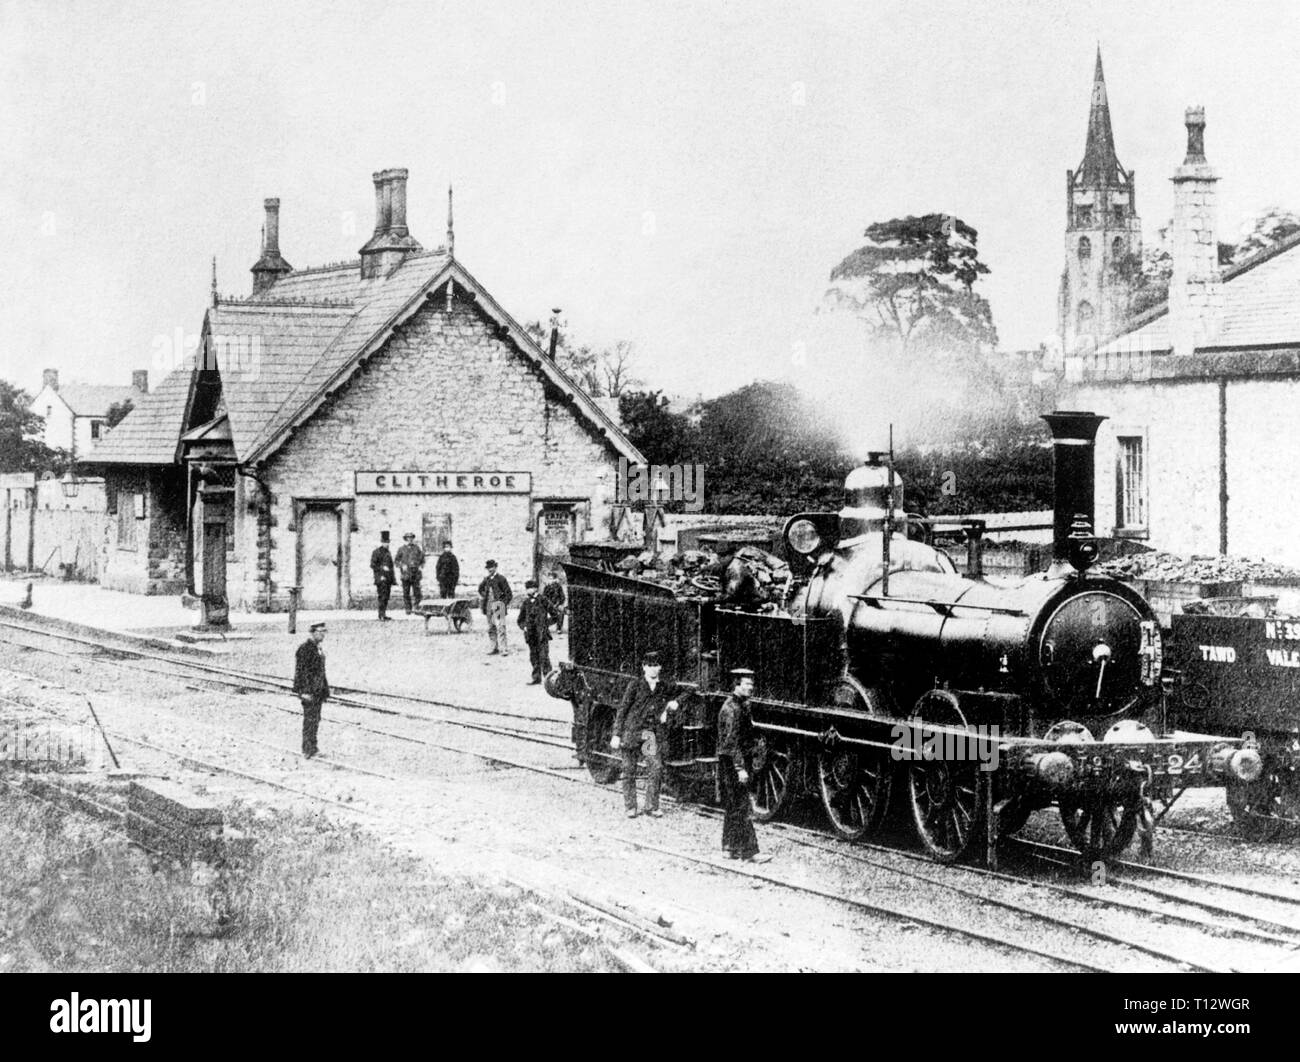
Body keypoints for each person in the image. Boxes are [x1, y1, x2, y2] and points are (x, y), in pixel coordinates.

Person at [610, 651, 679, 819]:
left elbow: (685, 692)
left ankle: (651, 806)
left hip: (649, 735)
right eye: (650, 666)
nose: (653, 669)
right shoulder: (634, 685)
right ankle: (630, 807)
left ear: (660, 667)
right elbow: (623, 710)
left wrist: (673, 703)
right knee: (628, 770)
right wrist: (616, 734)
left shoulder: (664, 687)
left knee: (655, 767)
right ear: (644, 667)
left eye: (656, 666)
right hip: (631, 733)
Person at [717, 668, 769, 862]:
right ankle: (750, 852)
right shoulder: (731, 709)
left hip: (732, 760)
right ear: (736, 685)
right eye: (747, 684)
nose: (751, 688)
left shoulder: (741, 706)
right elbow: (731, 743)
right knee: (742, 806)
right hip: (732, 762)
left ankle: (728, 848)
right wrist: (740, 769)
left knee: (733, 806)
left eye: (751, 684)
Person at [292, 622, 330, 759]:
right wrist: (303, 692)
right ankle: (308, 749)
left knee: (315, 719)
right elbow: (301, 673)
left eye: (324, 631)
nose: (322, 634)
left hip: (317, 692)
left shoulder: (317, 648)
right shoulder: (305, 649)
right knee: (310, 720)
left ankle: (312, 747)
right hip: (309, 692)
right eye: (320, 632)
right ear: (312, 632)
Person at [517, 579, 561, 684]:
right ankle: (536, 678)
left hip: (542, 634)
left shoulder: (543, 600)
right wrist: (524, 627)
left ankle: (549, 679)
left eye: (530, 588)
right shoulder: (526, 602)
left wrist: (546, 624)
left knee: (544, 656)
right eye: (527, 588)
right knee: (533, 656)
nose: (528, 590)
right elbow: (520, 620)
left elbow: (555, 615)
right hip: (530, 635)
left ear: (536, 588)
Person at [478, 559, 512, 655]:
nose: (490, 570)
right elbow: (480, 589)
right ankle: (493, 647)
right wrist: (485, 596)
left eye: (491, 567)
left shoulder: (501, 579)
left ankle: (503, 648)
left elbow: (509, 594)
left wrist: (503, 603)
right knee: (491, 627)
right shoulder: (487, 579)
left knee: (501, 627)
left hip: (499, 605)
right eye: (488, 568)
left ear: (495, 567)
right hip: (488, 606)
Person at [395, 532, 425, 615]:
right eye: (408, 538)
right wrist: (402, 565)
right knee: (406, 593)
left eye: (411, 538)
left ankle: (417, 609)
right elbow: (396, 561)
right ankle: (408, 609)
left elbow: (422, 560)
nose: (410, 540)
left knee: (417, 593)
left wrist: (421, 566)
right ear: (405, 539)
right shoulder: (401, 549)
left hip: (415, 574)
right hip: (406, 574)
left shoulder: (417, 548)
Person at [370, 531, 396, 621]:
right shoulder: (376, 552)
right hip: (381, 578)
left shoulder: (388, 552)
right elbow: (373, 565)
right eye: (385, 542)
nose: (387, 544)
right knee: (382, 596)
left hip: (388, 579)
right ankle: (381, 615)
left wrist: (393, 579)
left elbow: (391, 567)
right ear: (382, 542)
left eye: (388, 542)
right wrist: (382, 568)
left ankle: (383, 614)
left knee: (386, 597)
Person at [541, 569, 567, 633]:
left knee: (561, 612)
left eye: (552, 579)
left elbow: (562, 597)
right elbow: (544, 597)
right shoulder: (546, 587)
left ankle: (559, 628)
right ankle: (544, 626)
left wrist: (559, 604)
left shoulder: (558, 587)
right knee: (542, 611)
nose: (551, 580)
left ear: (555, 579)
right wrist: (548, 604)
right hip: (548, 605)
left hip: (556, 605)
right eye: (549, 579)